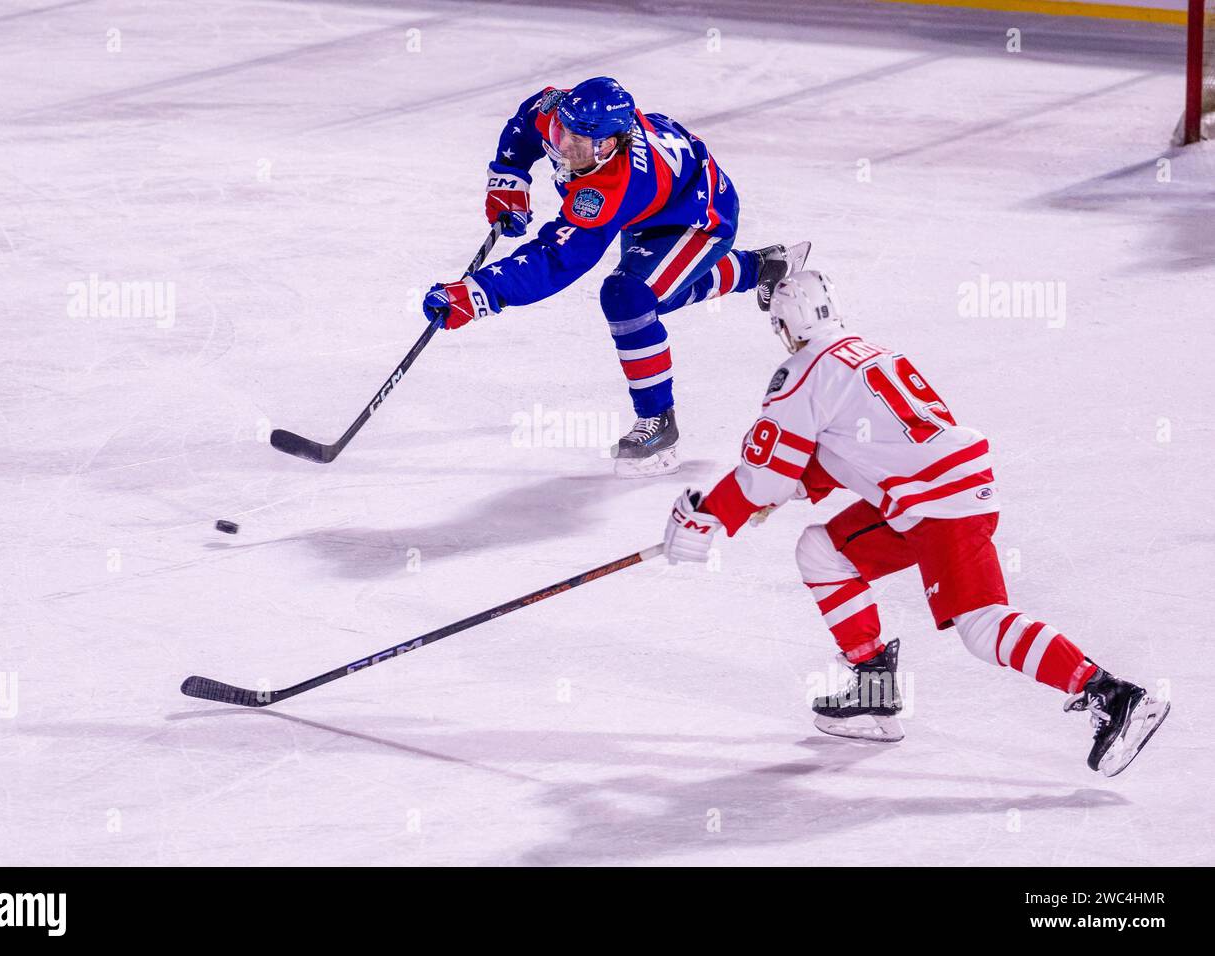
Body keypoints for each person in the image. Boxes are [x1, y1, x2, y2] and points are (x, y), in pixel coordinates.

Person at [661, 269, 1170, 776]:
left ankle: (1111, 693)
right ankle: (872, 689)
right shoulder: (867, 353)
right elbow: (859, 445)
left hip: (935, 504)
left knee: (980, 624)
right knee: (823, 550)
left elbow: (765, 474)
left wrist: (708, 517)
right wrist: (795, 486)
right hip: (929, 493)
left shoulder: (802, 372)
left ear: (785, 324)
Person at [421, 76, 809, 477]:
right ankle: (760, 267)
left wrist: (483, 292)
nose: (564, 147)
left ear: (610, 145)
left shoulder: (613, 187)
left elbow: (559, 258)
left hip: (696, 217)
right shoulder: (565, 112)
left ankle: (659, 424)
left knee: (629, 297)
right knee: (655, 297)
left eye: (579, 143)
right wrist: (510, 175)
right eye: (562, 133)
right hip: (658, 202)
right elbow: (528, 119)